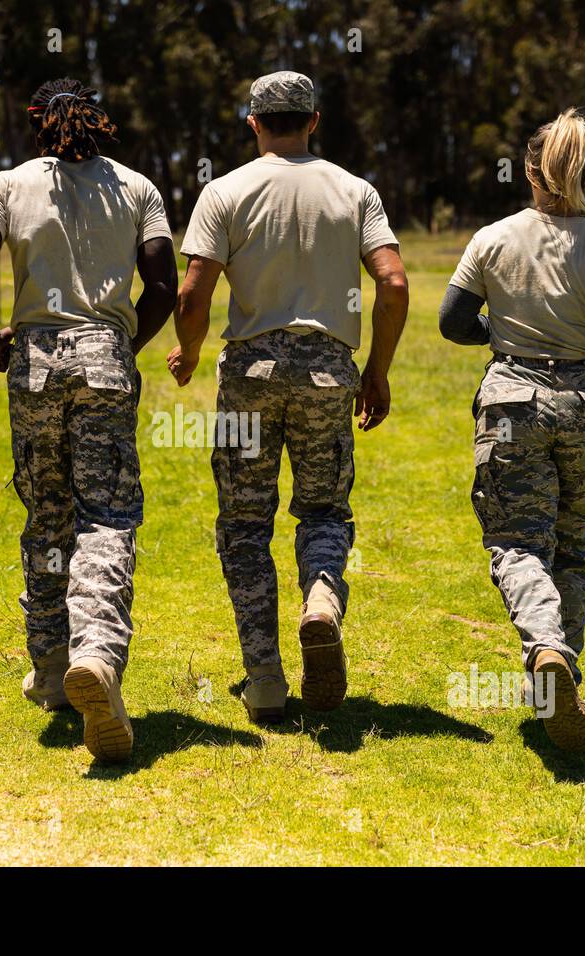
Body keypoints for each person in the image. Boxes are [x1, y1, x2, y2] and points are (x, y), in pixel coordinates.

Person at [170, 71, 409, 723]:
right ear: (314, 120)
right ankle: (323, 603)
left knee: (245, 526)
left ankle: (266, 679)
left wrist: (189, 354)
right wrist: (376, 370)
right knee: (325, 512)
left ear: (253, 123)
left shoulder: (225, 192)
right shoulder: (355, 191)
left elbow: (192, 295)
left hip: (250, 373)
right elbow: (392, 283)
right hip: (329, 372)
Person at [0, 78, 176, 763]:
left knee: (46, 515)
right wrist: (124, 346)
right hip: (105, 360)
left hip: (35, 364)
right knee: (105, 515)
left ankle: (51, 669)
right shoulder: (138, 190)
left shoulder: (7, 185)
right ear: (97, 122)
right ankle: (98, 656)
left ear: (37, 124)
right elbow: (162, 285)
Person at [439, 107, 585, 751]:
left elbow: (452, 320)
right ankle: (564, 674)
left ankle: (546, 650)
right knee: (574, 541)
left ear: (530, 170)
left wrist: (499, 336)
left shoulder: (494, 237)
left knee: (517, 540)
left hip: (513, 401)